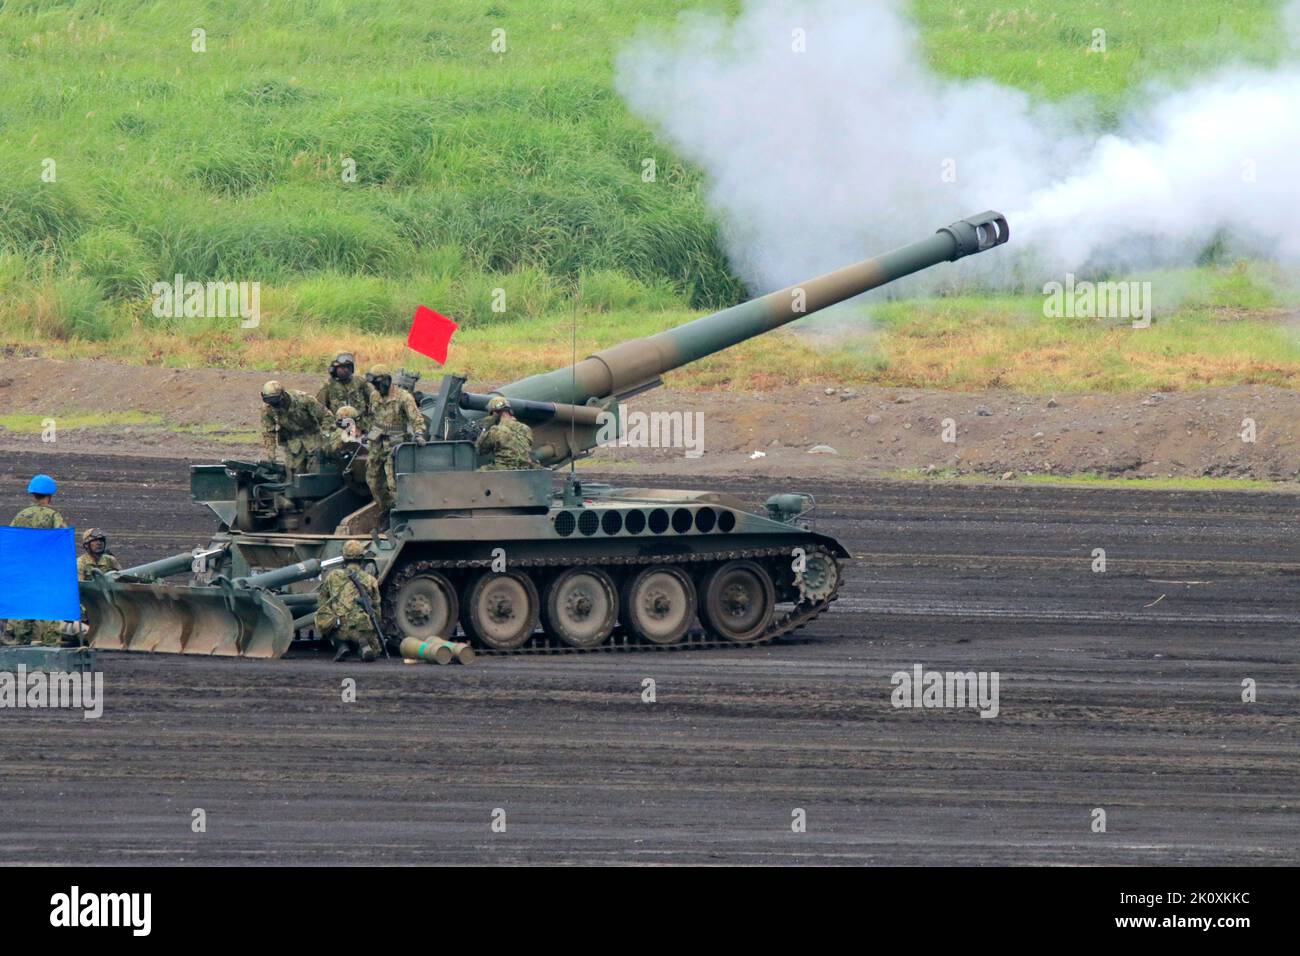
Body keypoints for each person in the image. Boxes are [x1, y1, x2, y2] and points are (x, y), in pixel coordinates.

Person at [4, 475, 67, 646]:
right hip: (45, 571)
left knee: (24, 608)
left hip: (25, 570)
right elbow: (62, 539)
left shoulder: (21, 515)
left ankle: (19, 647)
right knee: (49, 610)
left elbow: (11, 540)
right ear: (50, 495)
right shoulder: (54, 515)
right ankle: (51, 646)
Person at [365, 364, 426, 525]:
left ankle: (399, 516)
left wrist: (419, 433)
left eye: (378, 384)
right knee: (373, 481)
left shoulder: (403, 397)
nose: (376, 387)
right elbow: (371, 416)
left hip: (395, 443)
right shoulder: (374, 396)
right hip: (377, 442)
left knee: (394, 484)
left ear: (386, 381)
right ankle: (387, 508)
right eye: (374, 385)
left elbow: (416, 419)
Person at [315, 540, 383, 662]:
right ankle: (363, 645)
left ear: (344, 558)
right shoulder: (371, 579)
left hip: (340, 628)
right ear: (362, 558)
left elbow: (322, 600)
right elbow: (377, 607)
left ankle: (341, 645)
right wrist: (376, 630)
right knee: (375, 649)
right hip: (364, 629)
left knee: (324, 619)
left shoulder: (333, 576)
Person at [260, 380, 334, 478]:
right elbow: (268, 433)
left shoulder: (304, 400)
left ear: (282, 394)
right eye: (269, 400)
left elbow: (327, 417)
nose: (273, 403)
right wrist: (271, 456)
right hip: (293, 444)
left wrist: (325, 441)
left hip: (314, 439)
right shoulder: (268, 409)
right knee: (293, 476)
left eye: (275, 399)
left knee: (316, 473)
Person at [475, 396, 538, 470]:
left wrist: (485, 428)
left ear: (495, 414)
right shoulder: (526, 428)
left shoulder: (496, 430)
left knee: (476, 475)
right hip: (524, 468)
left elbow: (480, 450)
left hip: (504, 469)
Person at [317, 352, 377, 429]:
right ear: (334, 369)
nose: (344, 370)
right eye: (341, 367)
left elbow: (373, 401)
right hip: (337, 427)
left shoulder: (360, 382)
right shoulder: (328, 385)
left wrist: (369, 421)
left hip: (360, 425)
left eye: (347, 367)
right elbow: (320, 408)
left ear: (351, 369)